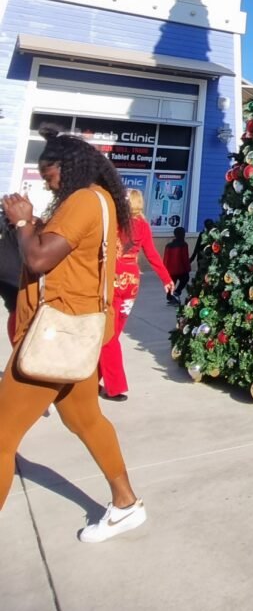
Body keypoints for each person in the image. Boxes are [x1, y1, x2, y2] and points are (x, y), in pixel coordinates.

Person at [0, 131, 147, 541]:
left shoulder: (83, 200)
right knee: (85, 419)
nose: (46, 182)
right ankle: (125, 504)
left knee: (1, 435)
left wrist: (24, 221)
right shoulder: (99, 200)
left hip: (56, 335)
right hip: (77, 333)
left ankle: (126, 504)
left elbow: (39, 257)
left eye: (48, 175)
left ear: (68, 167)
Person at [99, 188, 173, 401]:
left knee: (107, 335)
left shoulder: (114, 223)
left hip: (112, 279)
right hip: (131, 281)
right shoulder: (143, 226)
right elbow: (151, 255)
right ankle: (94, 377)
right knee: (115, 331)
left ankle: (114, 386)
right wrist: (166, 279)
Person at [163, 226, 191, 304]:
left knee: (172, 282)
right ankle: (177, 292)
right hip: (180, 269)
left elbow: (166, 258)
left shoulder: (169, 245)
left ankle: (170, 297)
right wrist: (188, 268)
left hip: (170, 269)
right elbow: (185, 258)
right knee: (185, 278)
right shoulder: (184, 245)